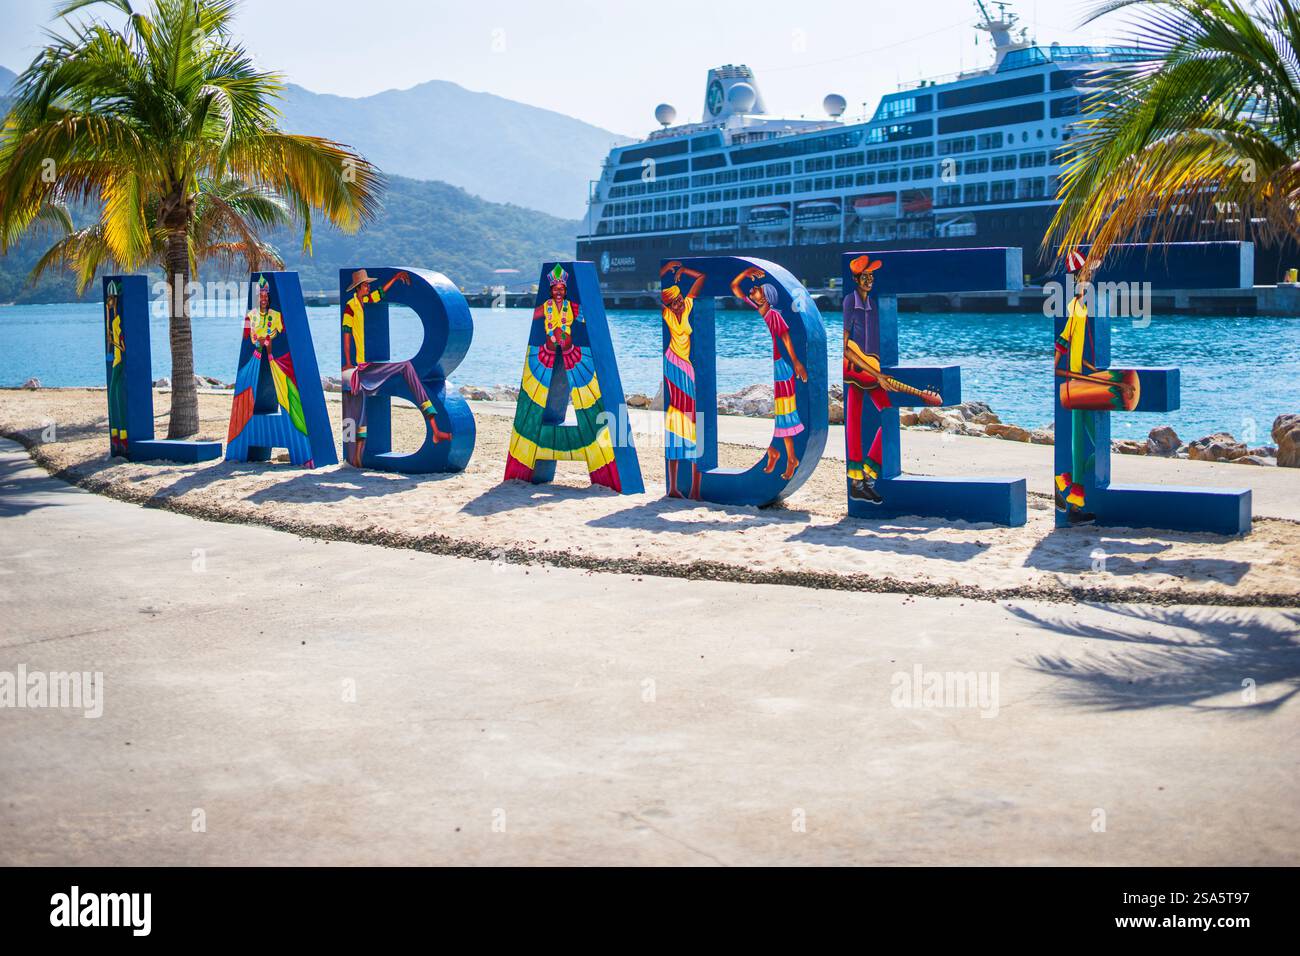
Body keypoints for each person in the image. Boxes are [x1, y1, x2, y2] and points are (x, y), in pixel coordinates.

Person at [504, 265, 624, 491]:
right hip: (548, 348)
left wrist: (592, 326)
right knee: (543, 388)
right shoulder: (548, 306)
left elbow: (584, 315)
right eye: (555, 289)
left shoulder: (570, 305)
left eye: (561, 288)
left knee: (580, 376)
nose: (559, 292)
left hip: (570, 347)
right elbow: (539, 313)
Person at [842, 254, 942, 502]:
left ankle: (866, 474)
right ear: (856, 278)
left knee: (888, 416)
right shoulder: (849, 303)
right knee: (853, 424)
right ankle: (856, 482)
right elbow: (846, 347)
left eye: (872, 276)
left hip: (873, 370)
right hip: (855, 371)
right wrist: (877, 373)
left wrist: (878, 371)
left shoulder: (873, 306)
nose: (870, 280)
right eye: (866, 276)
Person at [341, 268, 451, 467]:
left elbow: (380, 294)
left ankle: (434, 429)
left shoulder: (363, 302)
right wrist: (348, 362)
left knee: (364, 407)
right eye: (366, 285)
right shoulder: (350, 307)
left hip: (368, 367)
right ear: (358, 288)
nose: (368, 287)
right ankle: (356, 457)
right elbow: (346, 334)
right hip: (360, 368)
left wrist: (394, 278)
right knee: (360, 412)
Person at [730, 266, 807, 481]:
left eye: (756, 289)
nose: (752, 290)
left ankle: (790, 457)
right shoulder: (759, 310)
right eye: (753, 289)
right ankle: (776, 451)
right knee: (781, 414)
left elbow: (786, 340)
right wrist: (744, 274)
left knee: (785, 414)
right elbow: (735, 287)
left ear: (765, 297)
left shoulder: (773, 316)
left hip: (782, 369)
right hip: (776, 365)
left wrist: (797, 363)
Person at [228, 275, 314, 464]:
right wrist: (257, 340)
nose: (263, 298)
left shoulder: (276, 315)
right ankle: (242, 440)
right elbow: (249, 337)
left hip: (273, 357)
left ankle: (299, 437)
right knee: (248, 391)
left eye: (266, 295)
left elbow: (280, 331)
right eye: (260, 295)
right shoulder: (251, 316)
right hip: (256, 358)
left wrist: (270, 336)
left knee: (287, 392)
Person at [1054, 250, 1098, 524]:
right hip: (1078, 382)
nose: (1091, 276)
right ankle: (1070, 499)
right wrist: (1059, 362)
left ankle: (1065, 488)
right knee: (1088, 444)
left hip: (1081, 377)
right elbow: (1066, 338)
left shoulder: (1079, 304)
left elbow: (1069, 340)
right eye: (1087, 273)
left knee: (1088, 444)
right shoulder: (1078, 305)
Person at [660, 260, 706, 499]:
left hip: (686, 365)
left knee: (690, 417)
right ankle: (673, 487)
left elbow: (700, 278)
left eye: (678, 300)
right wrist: (665, 271)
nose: (677, 304)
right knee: (677, 416)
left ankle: (694, 489)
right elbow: (658, 292)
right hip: (672, 362)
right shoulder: (667, 313)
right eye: (673, 302)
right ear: (668, 304)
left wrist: (681, 270)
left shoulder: (687, 306)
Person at [104, 280, 127, 456]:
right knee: (114, 393)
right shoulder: (113, 317)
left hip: (119, 357)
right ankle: (118, 434)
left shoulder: (117, 319)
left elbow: (118, 340)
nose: (110, 301)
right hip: (116, 358)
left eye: (112, 298)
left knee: (115, 393)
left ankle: (122, 434)